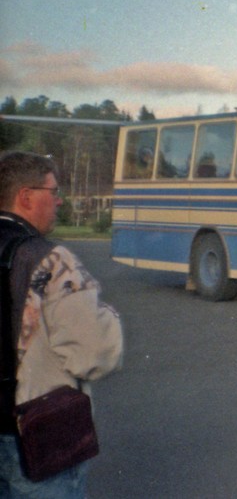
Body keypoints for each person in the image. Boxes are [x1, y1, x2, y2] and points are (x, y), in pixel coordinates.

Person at [0, 151, 124, 497]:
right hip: (34, 439)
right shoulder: (51, 261)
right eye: (52, 191)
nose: (59, 201)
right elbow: (96, 355)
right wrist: (108, 317)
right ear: (25, 196)